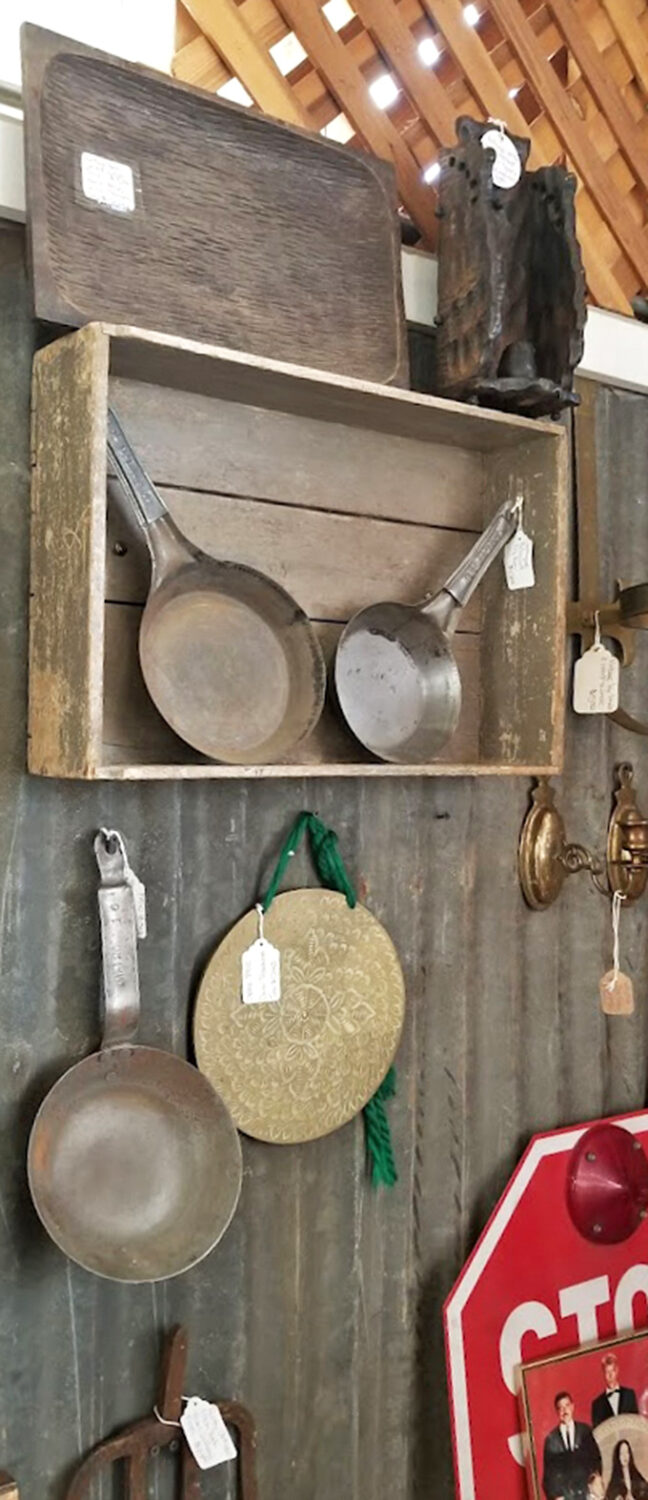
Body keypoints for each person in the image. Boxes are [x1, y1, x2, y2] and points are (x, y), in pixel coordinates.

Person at [543, 1391, 602, 1500]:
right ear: (557, 1412)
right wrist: (556, 1496)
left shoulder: (585, 1431)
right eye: (560, 1408)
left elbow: (596, 1460)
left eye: (567, 1405)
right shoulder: (551, 1439)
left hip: (586, 1492)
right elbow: (548, 1475)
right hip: (565, 1495)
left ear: (572, 1407)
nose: (564, 1410)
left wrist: (595, 1483)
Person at [592, 1355, 639, 1428]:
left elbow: (636, 1421)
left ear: (617, 1371)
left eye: (612, 1371)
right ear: (603, 1374)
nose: (610, 1375)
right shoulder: (597, 1404)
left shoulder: (629, 1394)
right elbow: (598, 1432)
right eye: (607, 1372)